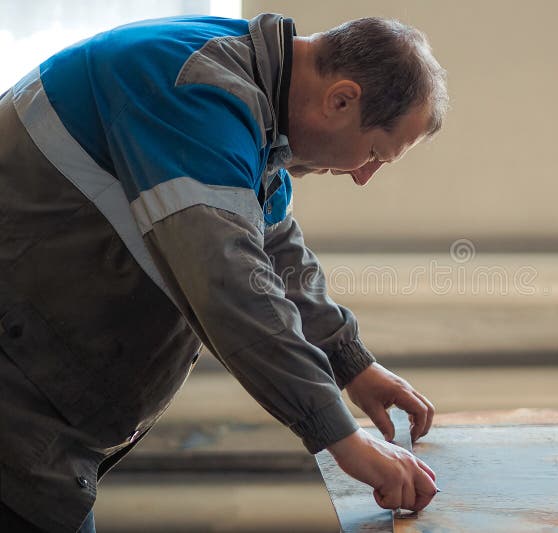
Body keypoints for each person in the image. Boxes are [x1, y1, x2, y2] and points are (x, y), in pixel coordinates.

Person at [0, 12, 448, 533]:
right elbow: (229, 283)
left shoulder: (251, 93)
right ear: (341, 99)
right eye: (373, 154)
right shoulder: (194, 91)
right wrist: (340, 437)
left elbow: (275, 249)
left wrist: (351, 362)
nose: (363, 177)